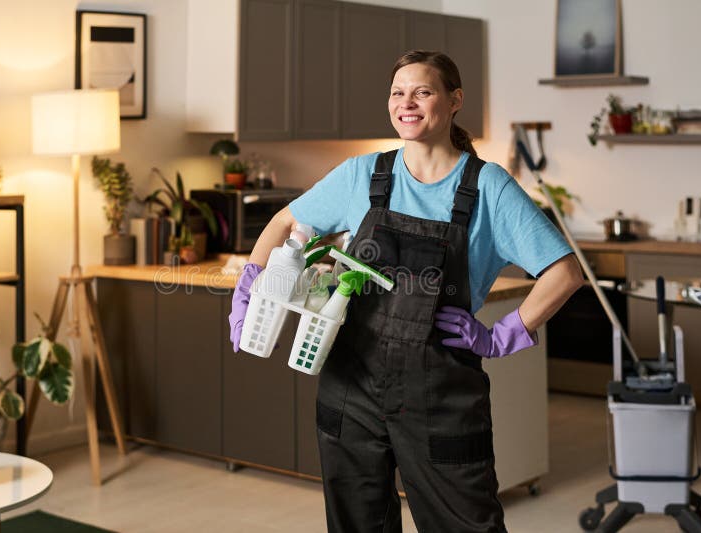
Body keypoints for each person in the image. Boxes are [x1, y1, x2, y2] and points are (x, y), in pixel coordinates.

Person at [228, 50, 583, 532]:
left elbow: (565, 272)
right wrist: (250, 288)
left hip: (441, 398)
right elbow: (285, 222)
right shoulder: (364, 174)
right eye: (398, 92)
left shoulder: (487, 187)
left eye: (423, 91)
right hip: (350, 386)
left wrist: (502, 335)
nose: (407, 103)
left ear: (454, 100)